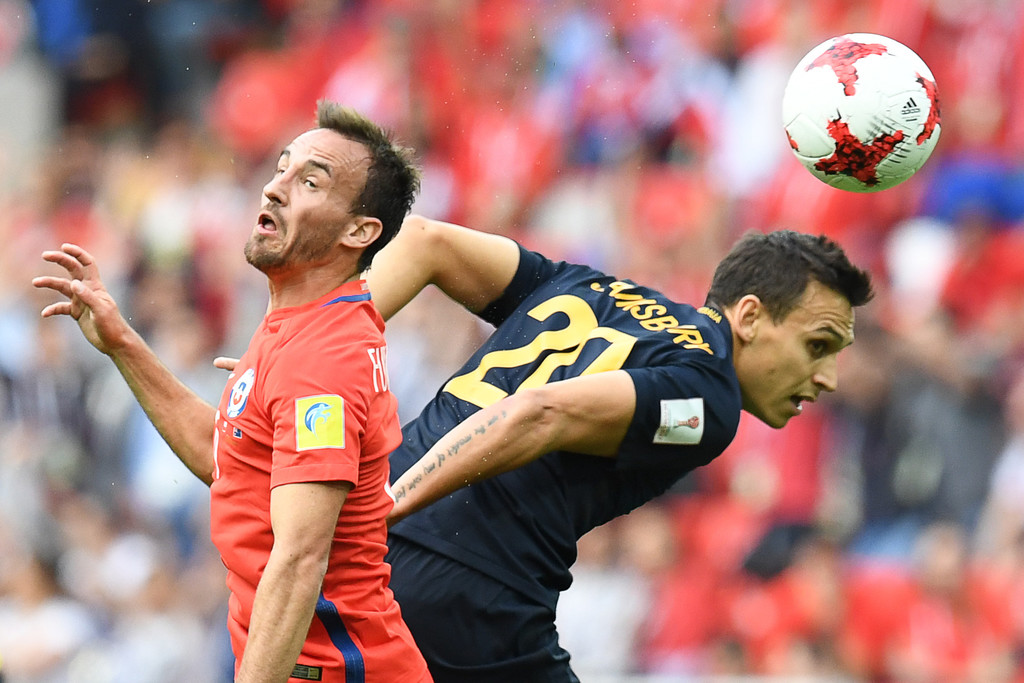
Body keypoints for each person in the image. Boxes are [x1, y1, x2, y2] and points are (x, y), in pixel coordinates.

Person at [358, 215, 874, 682]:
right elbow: (540, 413)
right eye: (817, 346)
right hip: (473, 593)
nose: (828, 378)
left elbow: (426, 241)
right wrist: (393, 504)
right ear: (751, 317)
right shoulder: (709, 398)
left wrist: (290, 361)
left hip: (372, 553)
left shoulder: (590, 288)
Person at [32, 100, 432, 683]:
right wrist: (123, 343)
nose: (275, 189)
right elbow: (229, 461)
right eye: (282, 168)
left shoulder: (320, 358)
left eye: (310, 182)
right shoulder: (297, 324)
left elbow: (298, 561)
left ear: (359, 231)